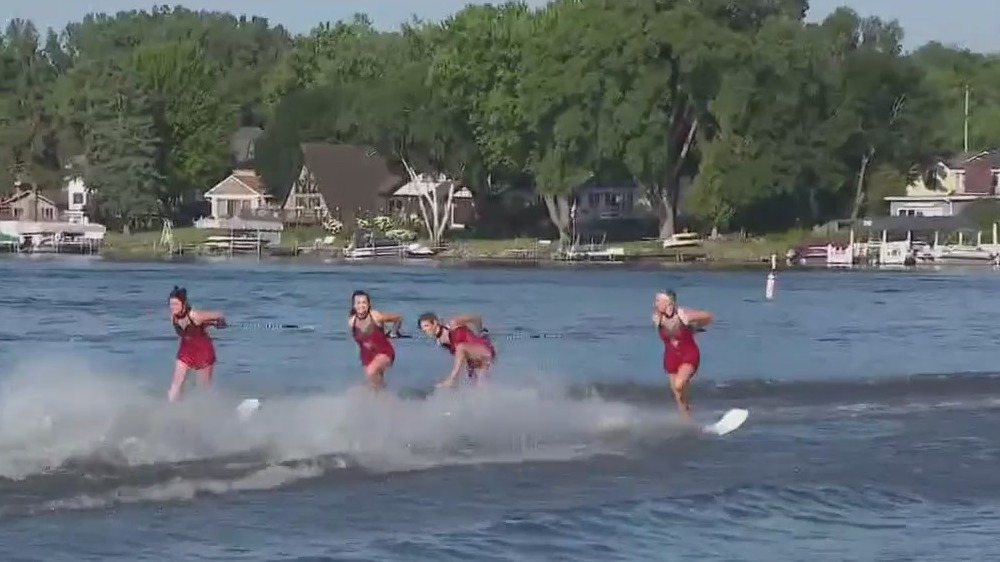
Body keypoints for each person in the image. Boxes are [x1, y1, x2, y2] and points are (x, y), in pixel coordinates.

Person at [653, 290, 712, 420]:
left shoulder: (683, 314)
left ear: (669, 302)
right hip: (670, 358)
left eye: (659, 300)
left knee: (679, 384)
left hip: (688, 354)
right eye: (656, 300)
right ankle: (688, 424)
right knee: (679, 398)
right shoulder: (657, 318)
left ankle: (689, 406)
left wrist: (695, 326)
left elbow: (708, 316)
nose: (656, 303)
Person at [167, 286, 226, 402]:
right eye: (171, 304)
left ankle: (209, 410)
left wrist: (219, 322)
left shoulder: (195, 315)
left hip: (203, 351)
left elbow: (219, 314)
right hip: (185, 351)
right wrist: (207, 324)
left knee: (203, 388)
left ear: (183, 304)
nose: (173, 307)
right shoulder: (172, 317)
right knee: (176, 384)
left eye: (176, 304)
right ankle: (170, 410)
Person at [418, 312, 496, 388]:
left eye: (426, 326)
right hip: (474, 361)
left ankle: (452, 379)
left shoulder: (453, 323)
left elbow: (476, 318)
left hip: (484, 350)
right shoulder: (440, 342)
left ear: (434, 322)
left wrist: (480, 332)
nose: (424, 330)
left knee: (460, 347)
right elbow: (460, 357)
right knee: (479, 387)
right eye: (422, 328)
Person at [348, 290, 402, 390]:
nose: (361, 305)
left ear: (369, 305)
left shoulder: (375, 316)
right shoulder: (352, 322)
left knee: (371, 372)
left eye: (364, 302)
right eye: (358, 303)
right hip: (367, 357)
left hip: (385, 352)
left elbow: (398, 317)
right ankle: (385, 400)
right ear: (353, 306)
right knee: (374, 385)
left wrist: (394, 333)